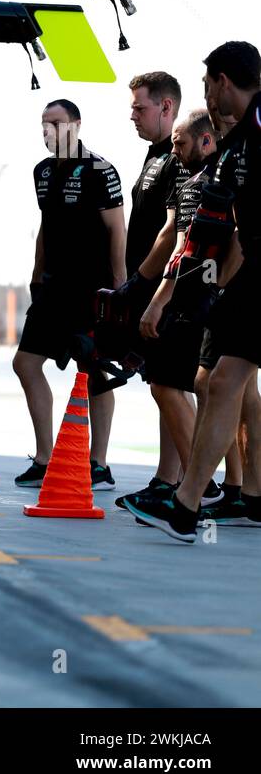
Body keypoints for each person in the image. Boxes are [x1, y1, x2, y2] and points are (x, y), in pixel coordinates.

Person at [127, 41, 261, 540]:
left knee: (225, 384)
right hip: (248, 278)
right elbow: (205, 227)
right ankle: (211, 504)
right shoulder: (233, 145)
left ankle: (201, 502)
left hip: (251, 272)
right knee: (221, 383)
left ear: (223, 81)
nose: (205, 94)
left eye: (207, 84)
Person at [12, 99, 124, 489]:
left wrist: (120, 288)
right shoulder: (41, 172)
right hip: (52, 287)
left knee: (94, 372)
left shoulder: (100, 170)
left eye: (56, 123)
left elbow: (117, 231)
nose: (48, 130)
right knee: (25, 364)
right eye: (43, 123)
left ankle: (99, 465)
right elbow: (45, 226)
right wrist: (35, 274)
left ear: (76, 125)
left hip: (93, 289)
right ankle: (44, 458)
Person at [125, 110, 233, 511]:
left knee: (166, 383)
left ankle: (200, 487)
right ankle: (231, 489)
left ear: (207, 141)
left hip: (196, 302)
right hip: (210, 300)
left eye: (180, 143)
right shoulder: (201, 180)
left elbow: (181, 249)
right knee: (215, 391)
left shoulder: (207, 185)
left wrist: (154, 301)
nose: (174, 150)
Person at [119, 72, 192, 491]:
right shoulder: (153, 157)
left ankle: (192, 482)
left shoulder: (179, 158)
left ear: (166, 107)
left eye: (139, 107)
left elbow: (174, 233)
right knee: (163, 383)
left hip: (168, 289)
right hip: (147, 287)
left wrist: (145, 285)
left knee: (170, 384)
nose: (132, 115)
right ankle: (169, 478)